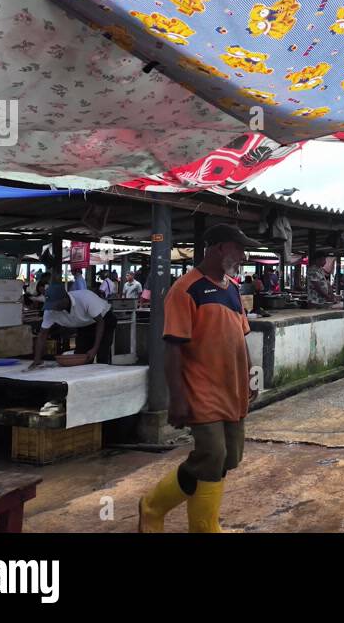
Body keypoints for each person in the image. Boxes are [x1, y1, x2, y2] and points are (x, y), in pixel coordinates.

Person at [138, 224, 259, 533]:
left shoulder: (232, 289)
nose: (243, 256)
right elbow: (173, 348)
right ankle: (198, 525)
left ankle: (154, 505)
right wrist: (176, 399)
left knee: (228, 459)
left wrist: (250, 376)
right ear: (219, 249)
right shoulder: (185, 289)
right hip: (201, 390)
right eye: (238, 249)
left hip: (232, 390)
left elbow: (240, 338)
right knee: (212, 454)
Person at [30, 284, 117, 367]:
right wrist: (37, 359)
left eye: (55, 305)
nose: (53, 308)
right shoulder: (50, 310)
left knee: (102, 354)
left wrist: (95, 348)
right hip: (84, 324)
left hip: (104, 320)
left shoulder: (85, 297)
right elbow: (42, 335)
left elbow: (100, 322)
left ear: (64, 299)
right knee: (81, 357)